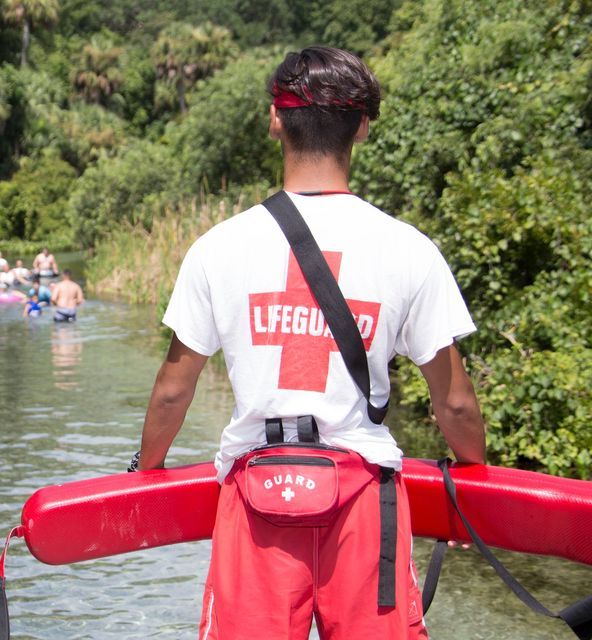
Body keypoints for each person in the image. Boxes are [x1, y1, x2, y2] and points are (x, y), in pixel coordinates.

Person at [134, 46, 486, 640]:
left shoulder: (219, 246)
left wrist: (147, 471)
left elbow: (174, 389)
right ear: (364, 128)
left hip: (255, 503)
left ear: (276, 119)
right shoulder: (409, 249)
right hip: (365, 504)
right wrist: (472, 486)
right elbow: (453, 402)